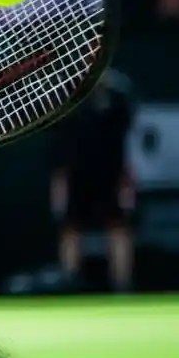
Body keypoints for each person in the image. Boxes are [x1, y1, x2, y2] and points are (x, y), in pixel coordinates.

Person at [51, 70, 137, 292]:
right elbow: (59, 143)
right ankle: (70, 282)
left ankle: (122, 286)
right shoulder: (67, 95)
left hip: (110, 174)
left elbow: (126, 135)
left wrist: (126, 181)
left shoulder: (119, 92)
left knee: (118, 227)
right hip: (76, 174)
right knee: (70, 228)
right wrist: (60, 183)